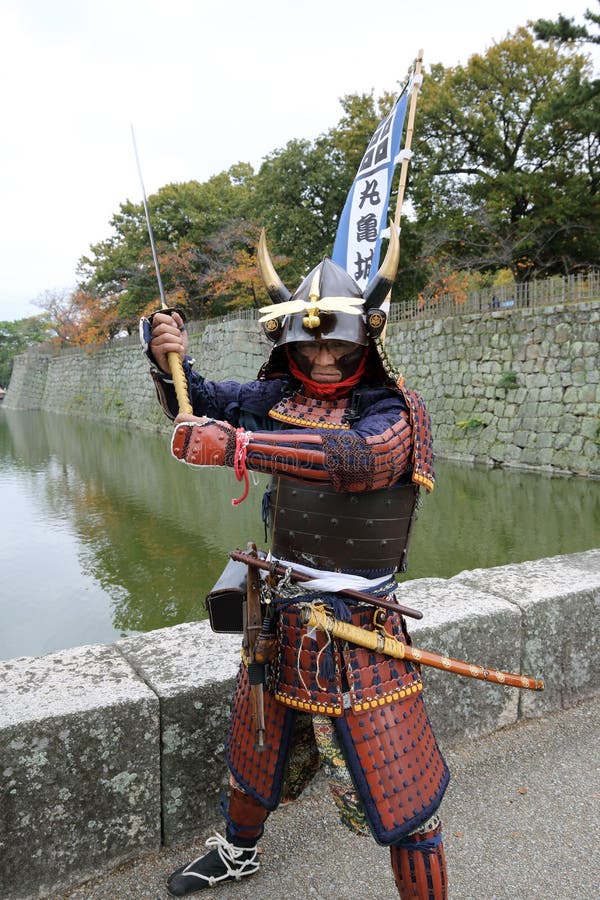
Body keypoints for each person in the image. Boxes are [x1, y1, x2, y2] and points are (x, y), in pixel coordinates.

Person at [141, 225, 450, 899]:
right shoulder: (274, 396)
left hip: (362, 620)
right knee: (255, 752)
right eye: (306, 341)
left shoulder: (394, 406)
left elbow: (362, 460)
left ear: (365, 338)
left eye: (335, 340)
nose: (323, 354)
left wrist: (237, 447)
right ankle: (239, 852)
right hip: (280, 610)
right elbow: (200, 407)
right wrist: (168, 357)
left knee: (405, 794)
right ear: (286, 342)